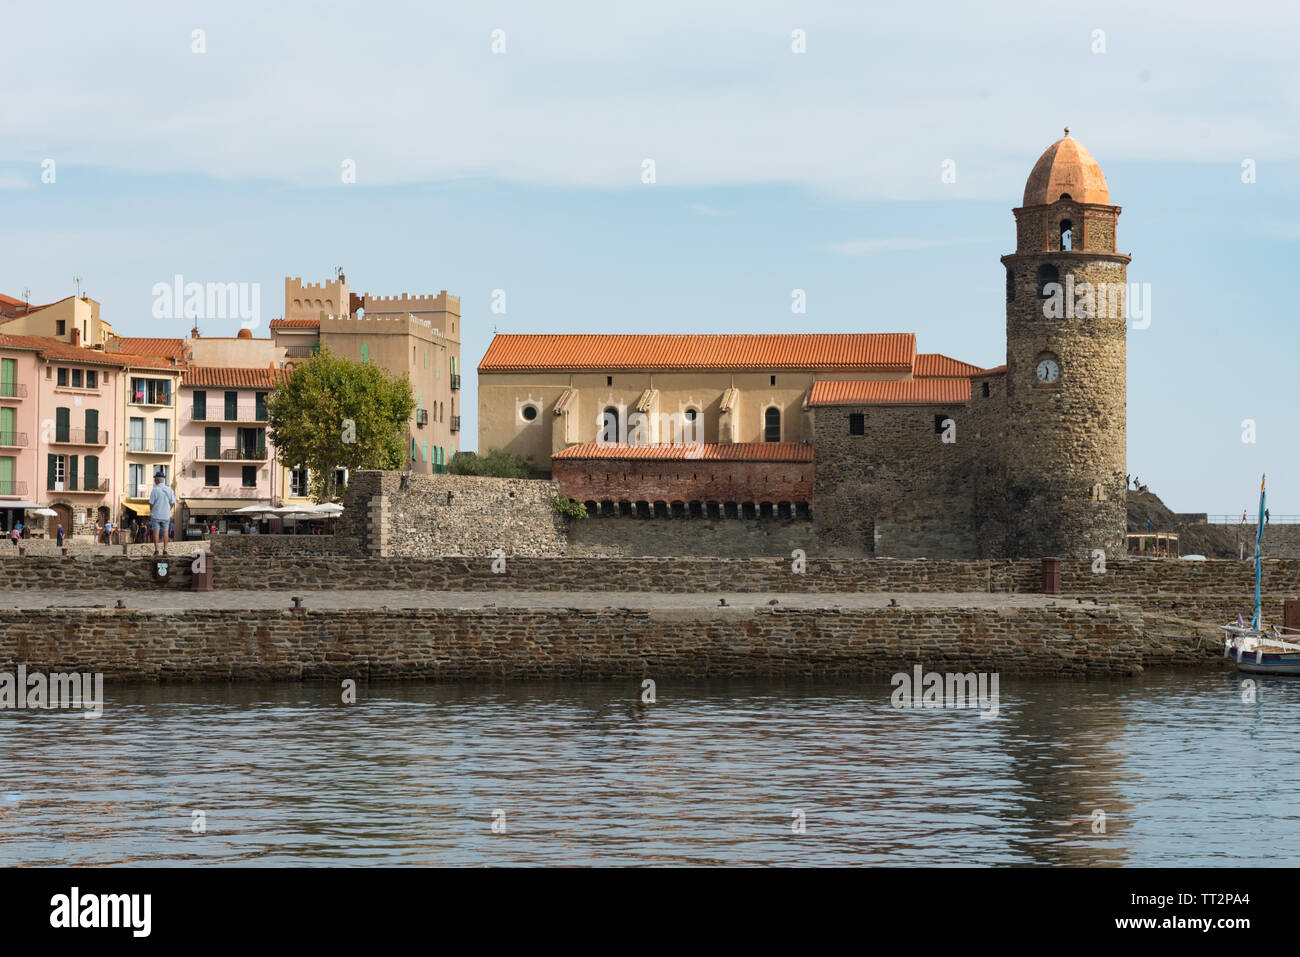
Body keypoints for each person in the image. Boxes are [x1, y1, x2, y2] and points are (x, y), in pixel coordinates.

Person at [148, 470, 176, 556]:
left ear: (157, 480)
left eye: (155, 479)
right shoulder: (169, 490)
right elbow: (172, 502)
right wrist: (168, 510)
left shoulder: (154, 490)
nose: (154, 481)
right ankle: (165, 550)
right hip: (165, 515)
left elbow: (151, 504)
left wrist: (152, 511)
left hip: (156, 515)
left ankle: (156, 550)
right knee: (165, 532)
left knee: (156, 532)